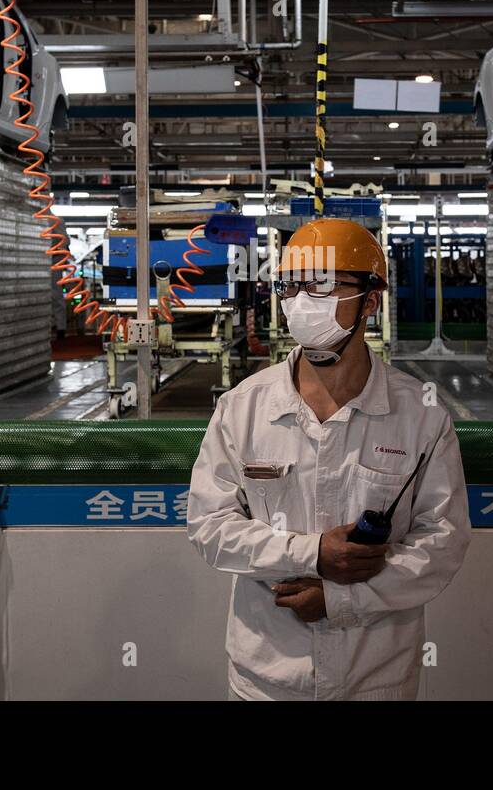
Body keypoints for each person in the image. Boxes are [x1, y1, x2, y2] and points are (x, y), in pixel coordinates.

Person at [186, 217, 472, 700]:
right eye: (290, 286)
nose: (301, 302)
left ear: (371, 300)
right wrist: (313, 553)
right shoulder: (243, 408)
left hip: (375, 679)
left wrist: (343, 599)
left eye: (321, 285)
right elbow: (209, 527)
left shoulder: (420, 417)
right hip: (267, 679)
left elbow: (440, 543)